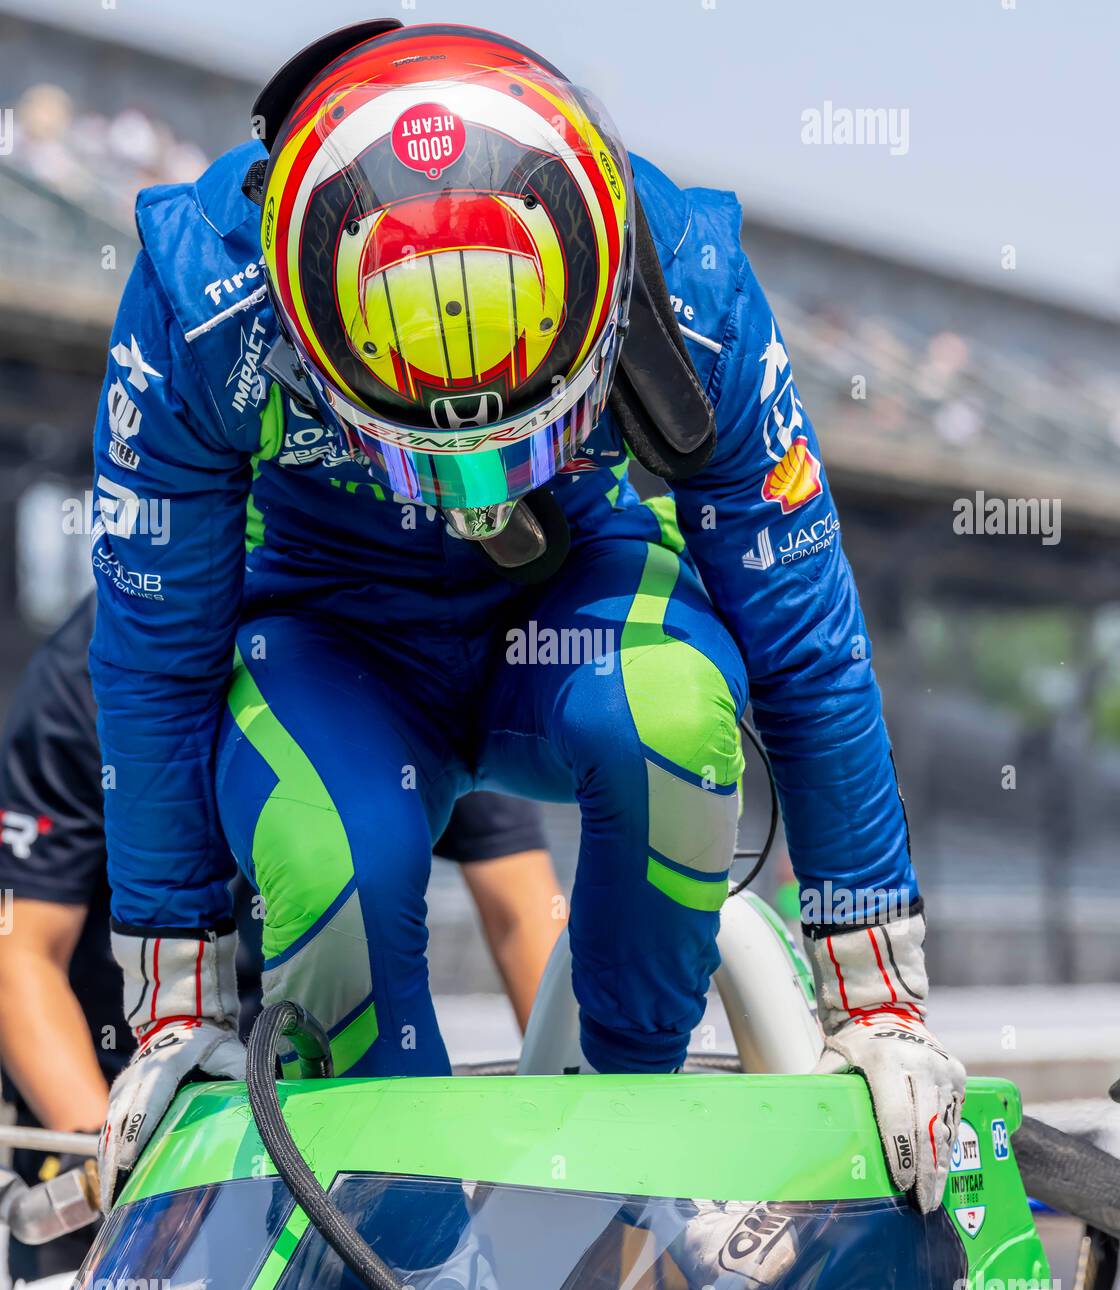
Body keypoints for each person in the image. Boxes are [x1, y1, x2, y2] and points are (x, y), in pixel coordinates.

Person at [91, 20, 963, 1218]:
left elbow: (804, 636)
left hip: (573, 591)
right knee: (332, 861)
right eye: (432, 451)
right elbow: (154, 657)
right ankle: (403, 1232)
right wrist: (174, 1001)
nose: (472, 487)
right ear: (299, 327)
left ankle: (614, 1185)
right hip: (327, 640)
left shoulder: (690, 279)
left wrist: (875, 993)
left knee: (670, 724)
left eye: (509, 438)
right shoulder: (200, 299)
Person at [0, 594, 562, 1280]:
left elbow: (524, 911)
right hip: (123, 1091)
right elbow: (19, 954)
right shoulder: (87, 676)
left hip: (310, 1080)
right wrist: (122, 1167)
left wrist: (581, 1135)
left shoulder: (391, 638)